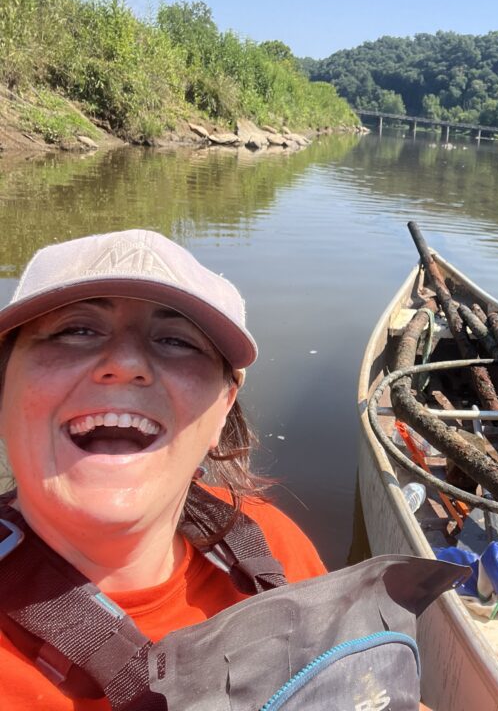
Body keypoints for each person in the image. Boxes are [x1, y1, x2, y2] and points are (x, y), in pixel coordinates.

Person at [0, 229, 328, 709]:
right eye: (76, 330)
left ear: (223, 407)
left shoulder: (272, 545)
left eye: (175, 340)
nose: (127, 362)